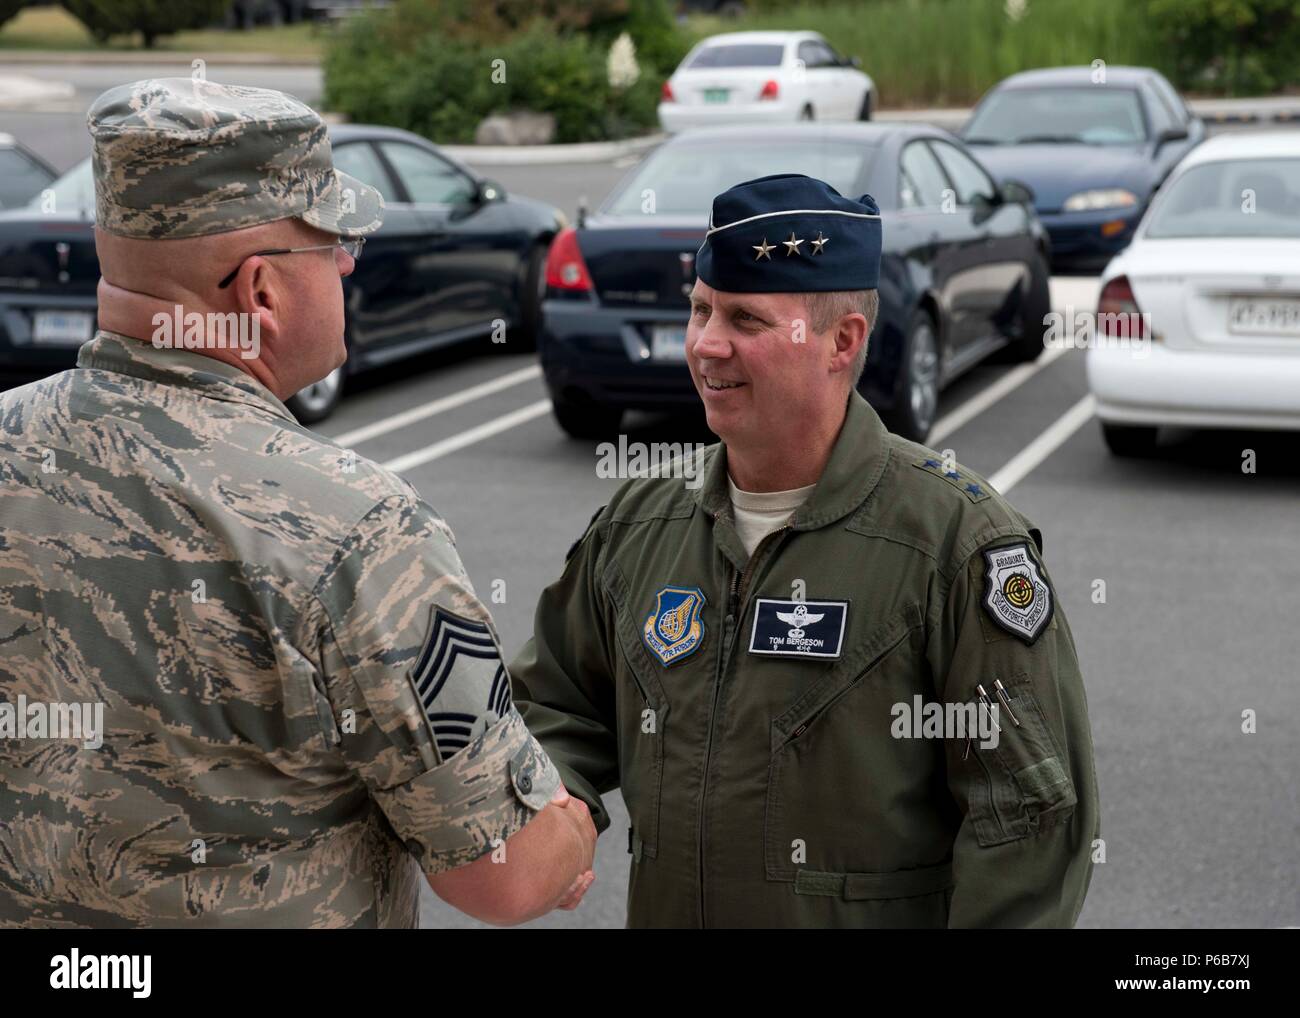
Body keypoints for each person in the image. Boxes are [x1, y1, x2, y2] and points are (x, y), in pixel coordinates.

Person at [0, 78, 594, 928]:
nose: (350, 260)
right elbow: (499, 874)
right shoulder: (353, 529)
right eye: (333, 240)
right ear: (261, 293)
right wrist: (570, 829)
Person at [511, 173, 1100, 928]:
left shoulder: (958, 546)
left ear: (842, 341)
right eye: (700, 310)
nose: (705, 343)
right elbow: (558, 701)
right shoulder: (639, 523)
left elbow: (1028, 819)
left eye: (747, 320)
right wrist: (556, 811)